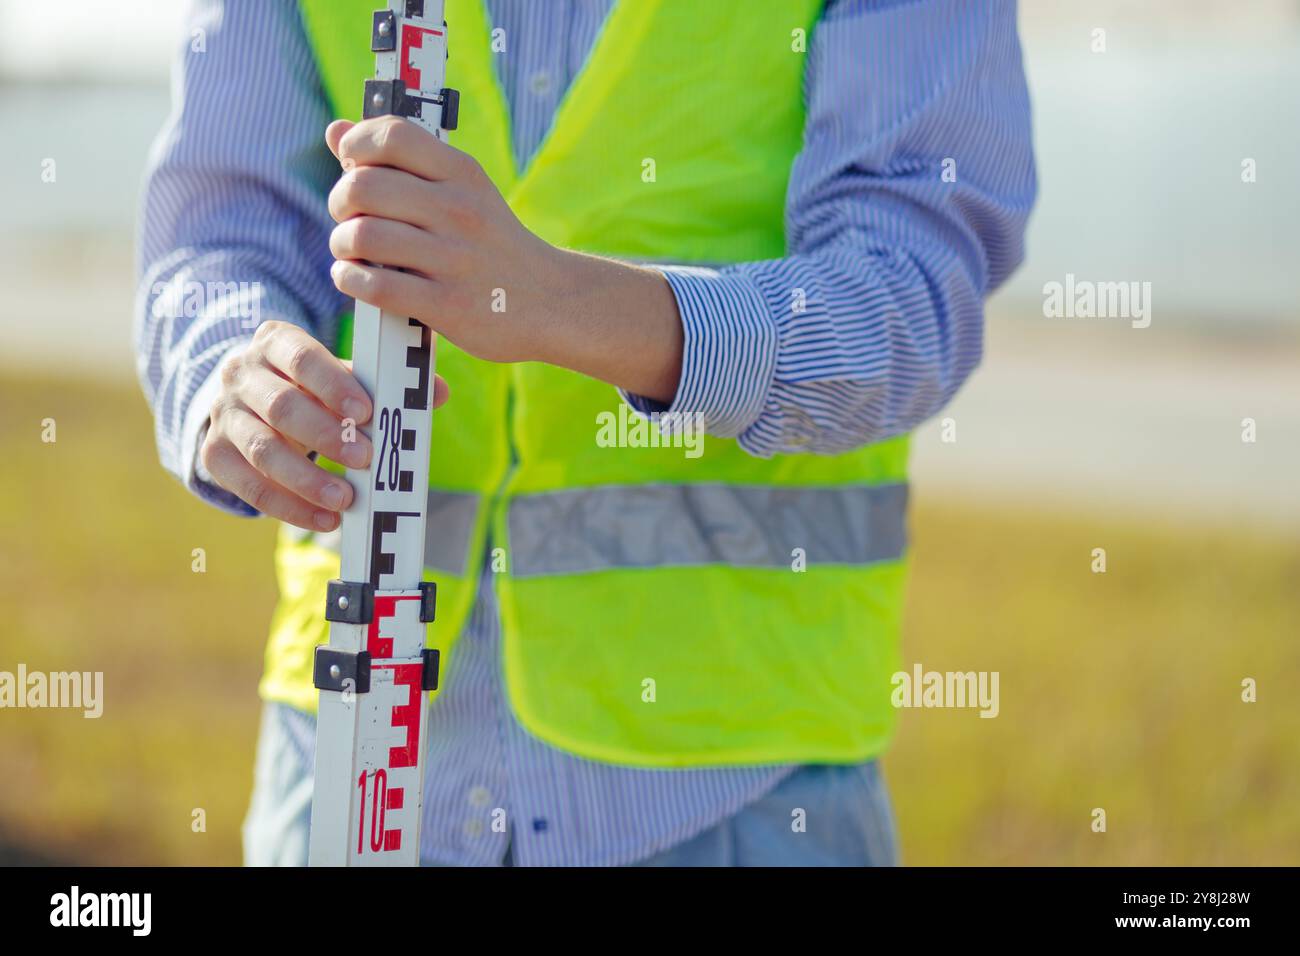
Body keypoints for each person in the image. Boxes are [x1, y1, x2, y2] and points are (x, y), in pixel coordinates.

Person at [135, 0, 1036, 866]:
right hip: (340, 763)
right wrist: (229, 370)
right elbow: (218, 235)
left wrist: (567, 304)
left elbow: (913, 297)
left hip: (741, 798)